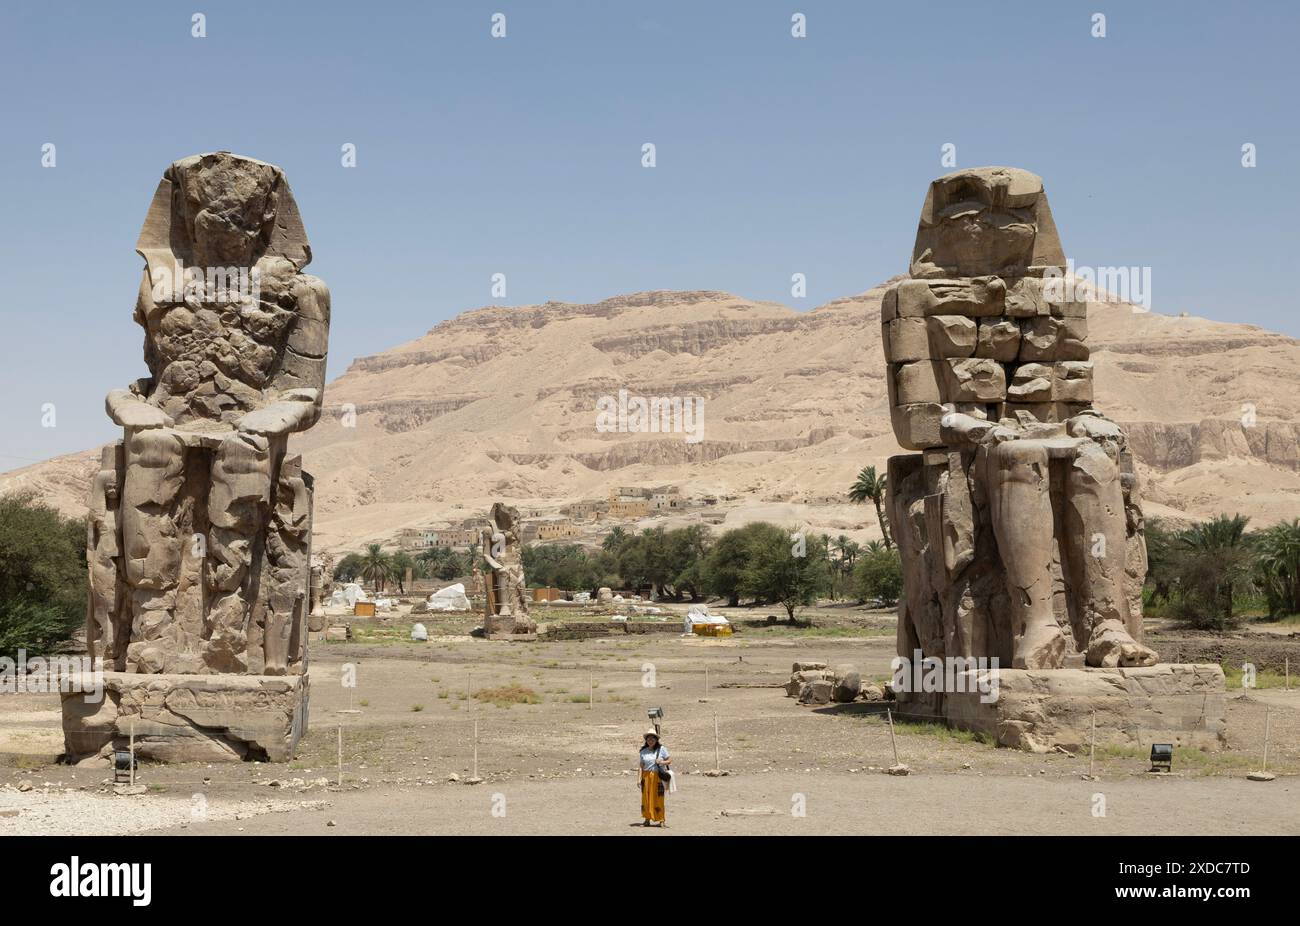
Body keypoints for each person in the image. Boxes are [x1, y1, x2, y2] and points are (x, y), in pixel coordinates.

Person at [637, 729, 670, 827]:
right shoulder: (643, 751)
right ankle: (647, 819)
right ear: (646, 740)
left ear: (656, 740)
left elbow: (669, 761)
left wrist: (661, 762)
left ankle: (661, 820)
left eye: (652, 739)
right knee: (646, 798)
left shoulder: (662, 749)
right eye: (648, 739)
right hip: (646, 777)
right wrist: (638, 779)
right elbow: (641, 766)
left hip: (657, 777)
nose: (650, 741)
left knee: (659, 798)